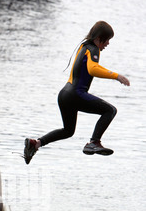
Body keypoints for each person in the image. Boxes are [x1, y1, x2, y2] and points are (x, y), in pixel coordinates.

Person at [24, 21, 130, 164]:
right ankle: (94, 142)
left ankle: (35, 144)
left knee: (68, 131)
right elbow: (93, 68)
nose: (108, 44)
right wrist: (116, 76)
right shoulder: (93, 49)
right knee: (110, 111)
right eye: (107, 40)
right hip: (75, 95)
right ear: (99, 38)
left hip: (64, 95)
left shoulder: (83, 46)